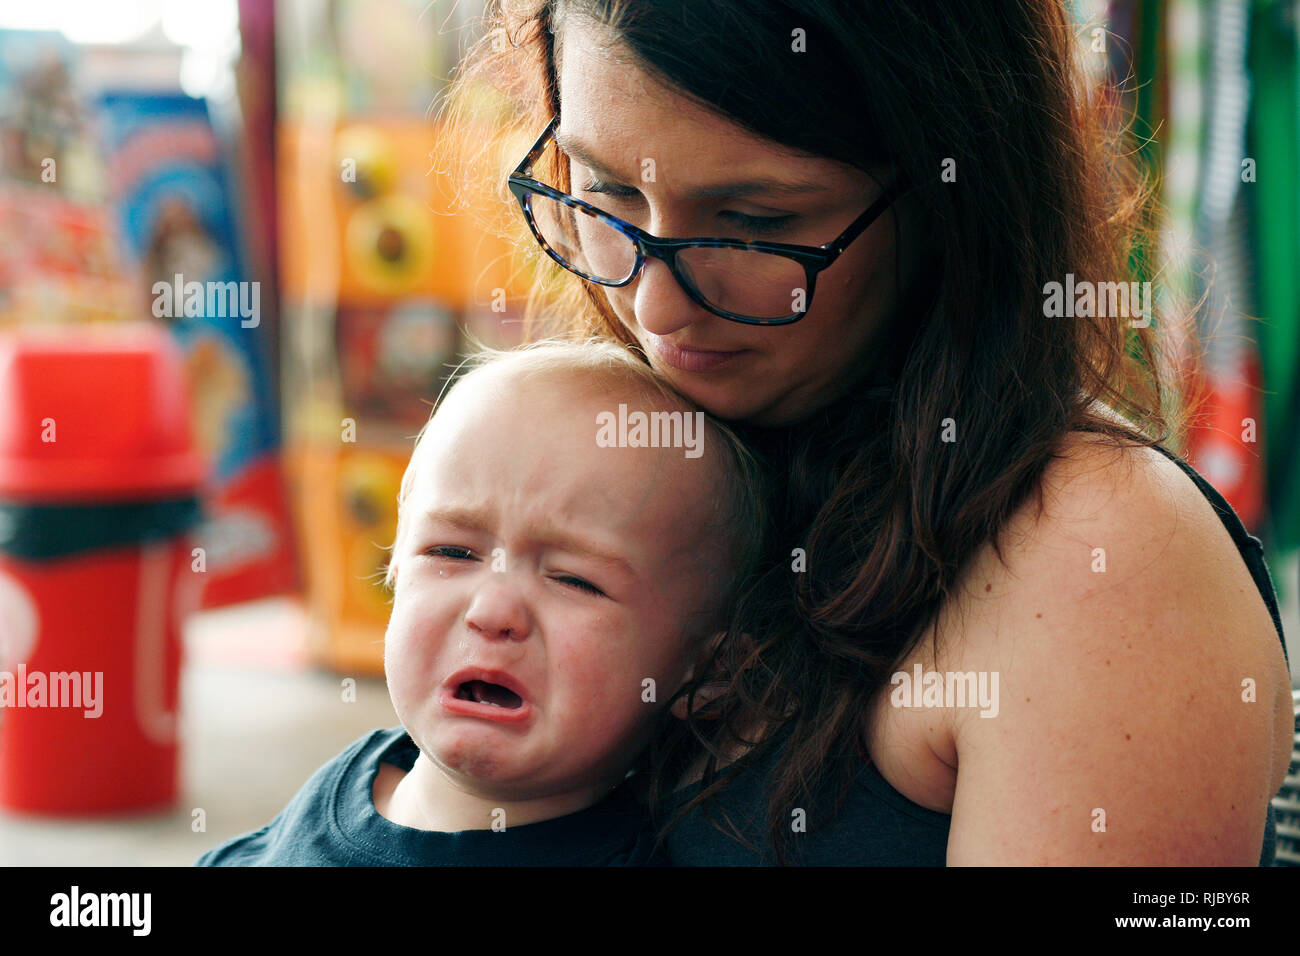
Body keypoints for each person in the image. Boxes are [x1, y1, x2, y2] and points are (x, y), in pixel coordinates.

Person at [442, 0, 1296, 864]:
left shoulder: (1102, 564)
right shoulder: (638, 454)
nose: (654, 307)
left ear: (949, 191)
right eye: (606, 190)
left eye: (757, 224)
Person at [195, 340, 767, 865]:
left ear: (711, 673)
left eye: (574, 580)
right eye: (451, 550)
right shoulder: (335, 791)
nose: (492, 611)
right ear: (394, 569)